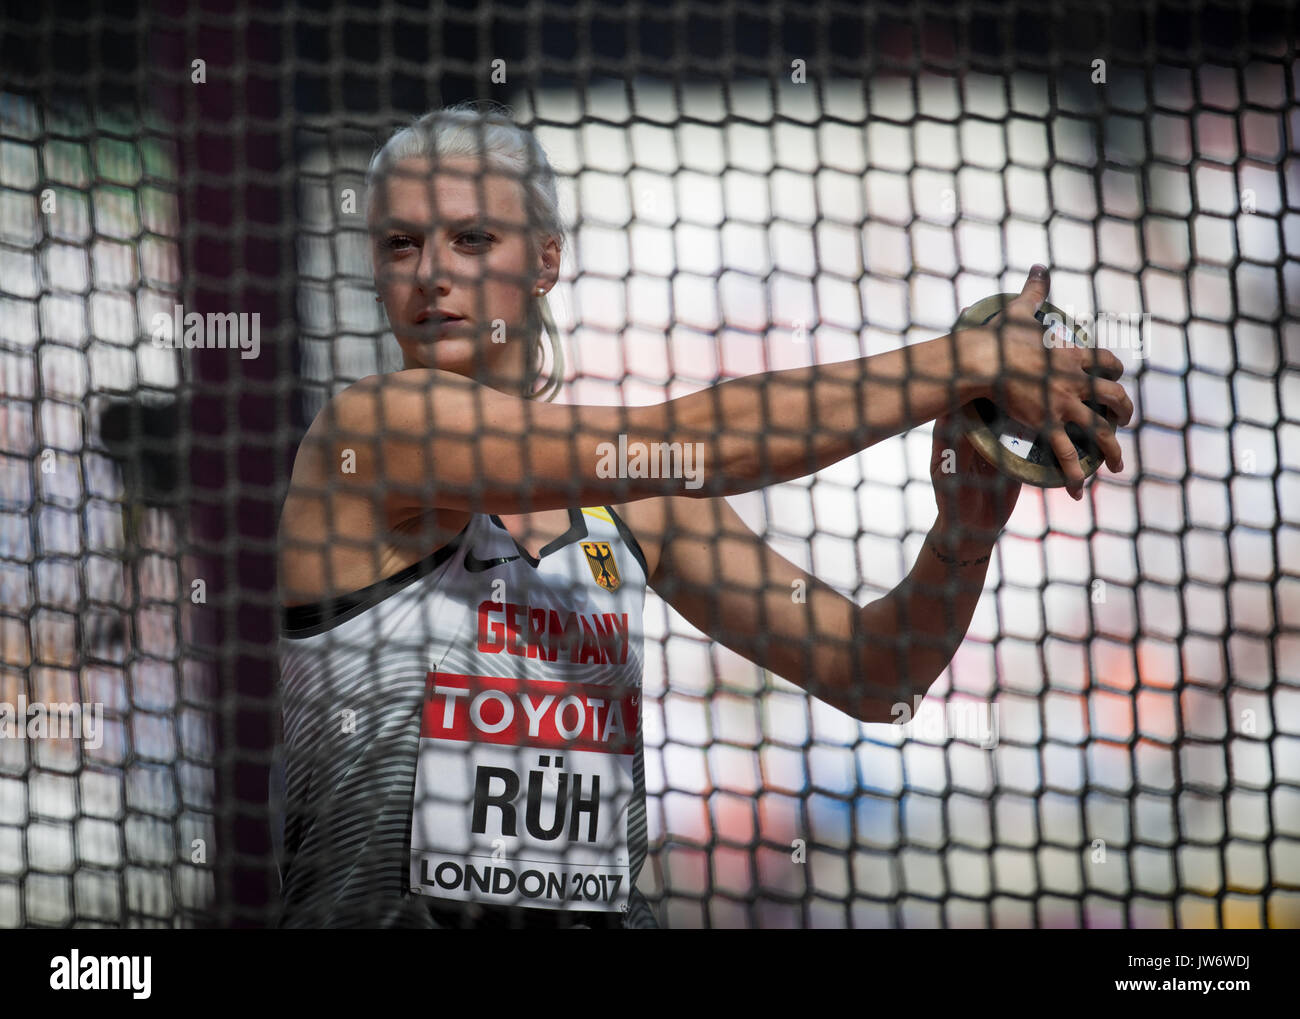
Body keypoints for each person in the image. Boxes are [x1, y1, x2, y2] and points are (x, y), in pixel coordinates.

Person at [273, 101, 1133, 928]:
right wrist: (966, 359)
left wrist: (962, 537)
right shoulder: (370, 434)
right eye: (401, 244)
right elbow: (699, 446)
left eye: (470, 239)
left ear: (544, 262)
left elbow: (875, 674)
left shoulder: (627, 506)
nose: (431, 273)